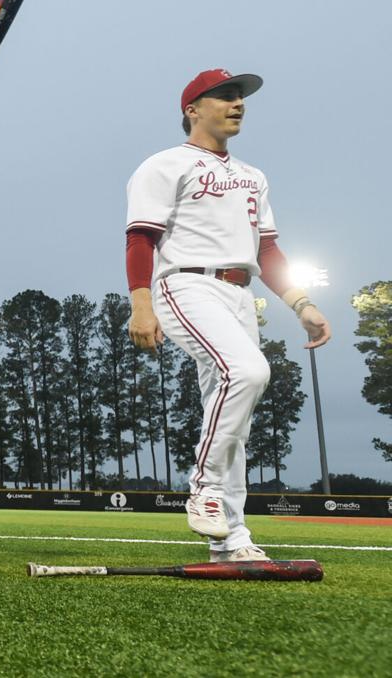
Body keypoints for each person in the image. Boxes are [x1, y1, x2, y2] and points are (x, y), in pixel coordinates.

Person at [126, 68, 331, 561]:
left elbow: (269, 251)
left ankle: (232, 540)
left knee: (231, 417)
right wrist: (141, 304)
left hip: (241, 295)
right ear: (192, 109)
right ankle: (204, 488)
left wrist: (301, 302)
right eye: (223, 96)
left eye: (240, 97)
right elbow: (140, 238)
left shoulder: (253, 176)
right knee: (247, 372)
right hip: (187, 284)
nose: (236, 103)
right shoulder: (164, 164)